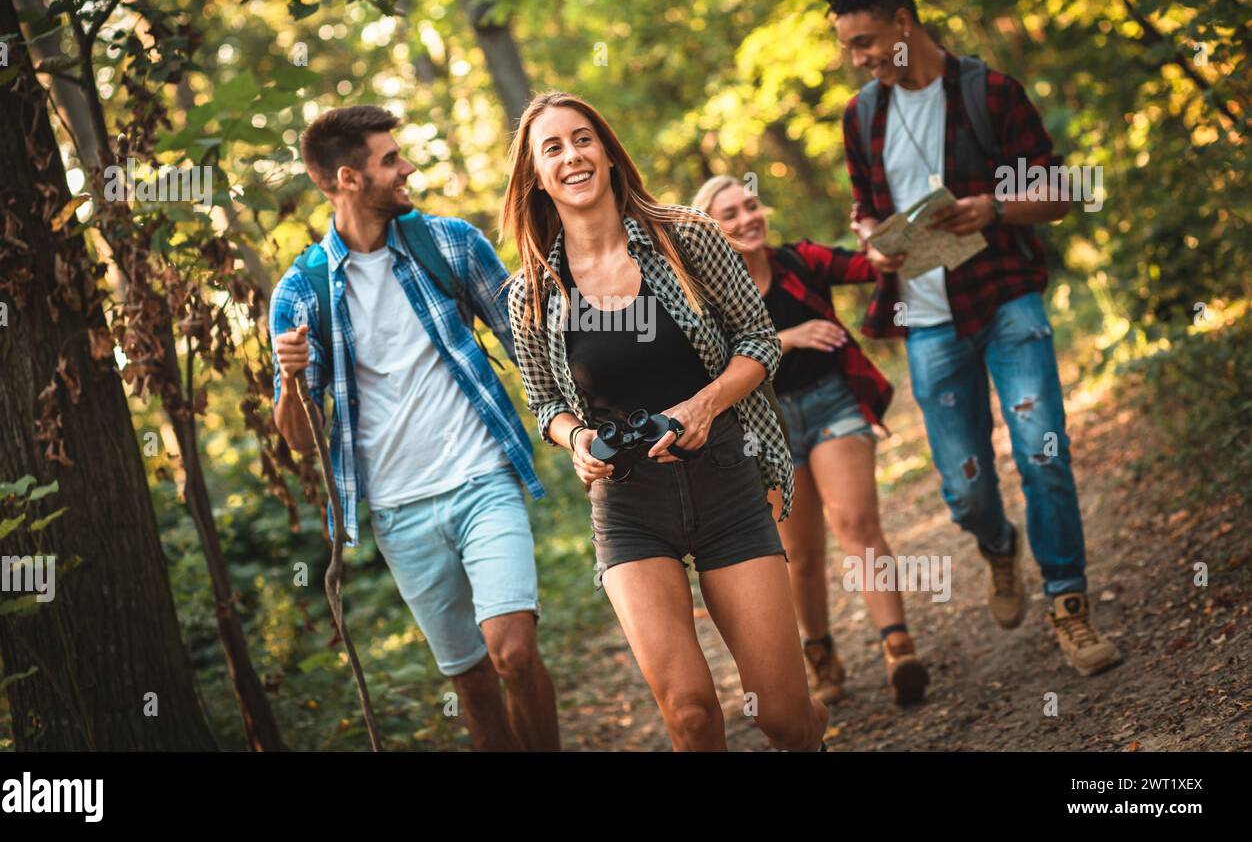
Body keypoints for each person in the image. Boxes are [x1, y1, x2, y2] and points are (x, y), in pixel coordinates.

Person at [502, 91, 827, 751]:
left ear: (609, 151)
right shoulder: (531, 290)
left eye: (583, 138)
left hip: (727, 485)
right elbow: (545, 404)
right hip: (628, 507)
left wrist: (705, 403)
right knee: (689, 711)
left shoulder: (687, 236)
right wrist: (577, 439)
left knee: (782, 716)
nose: (572, 156)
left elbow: (759, 339)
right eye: (553, 148)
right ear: (537, 175)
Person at [828, 0, 1122, 676]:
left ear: (904, 22)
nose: (859, 60)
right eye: (849, 49)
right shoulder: (863, 115)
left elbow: (1060, 191)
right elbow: (865, 209)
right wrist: (874, 241)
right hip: (927, 321)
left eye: (865, 43)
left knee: (1043, 451)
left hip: (1006, 296)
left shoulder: (990, 91)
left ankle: (1069, 603)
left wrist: (994, 207)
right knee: (963, 486)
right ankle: (997, 546)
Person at [269, 105, 561, 749]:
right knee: (474, 682)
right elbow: (296, 436)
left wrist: (592, 418)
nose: (408, 169)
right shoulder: (302, 291)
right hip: (399, 512)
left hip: (483, 478)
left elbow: (530, 341)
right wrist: (291, 379)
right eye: (391, 161)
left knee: (512, 652)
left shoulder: (450, 242)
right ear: (348, 179)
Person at [693, 175, 928, 705]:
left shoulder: (798, 261)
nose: (747, 219)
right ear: (711, 229)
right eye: (729, 214)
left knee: (855, 522)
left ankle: (899, 647)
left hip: (832, 404)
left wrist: (878, 243)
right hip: (765, 428)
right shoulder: (703, 296)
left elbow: (869, 265)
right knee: (800, 553)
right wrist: (786, 338)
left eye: (751, 205)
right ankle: (821, 654)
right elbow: (709, 365)